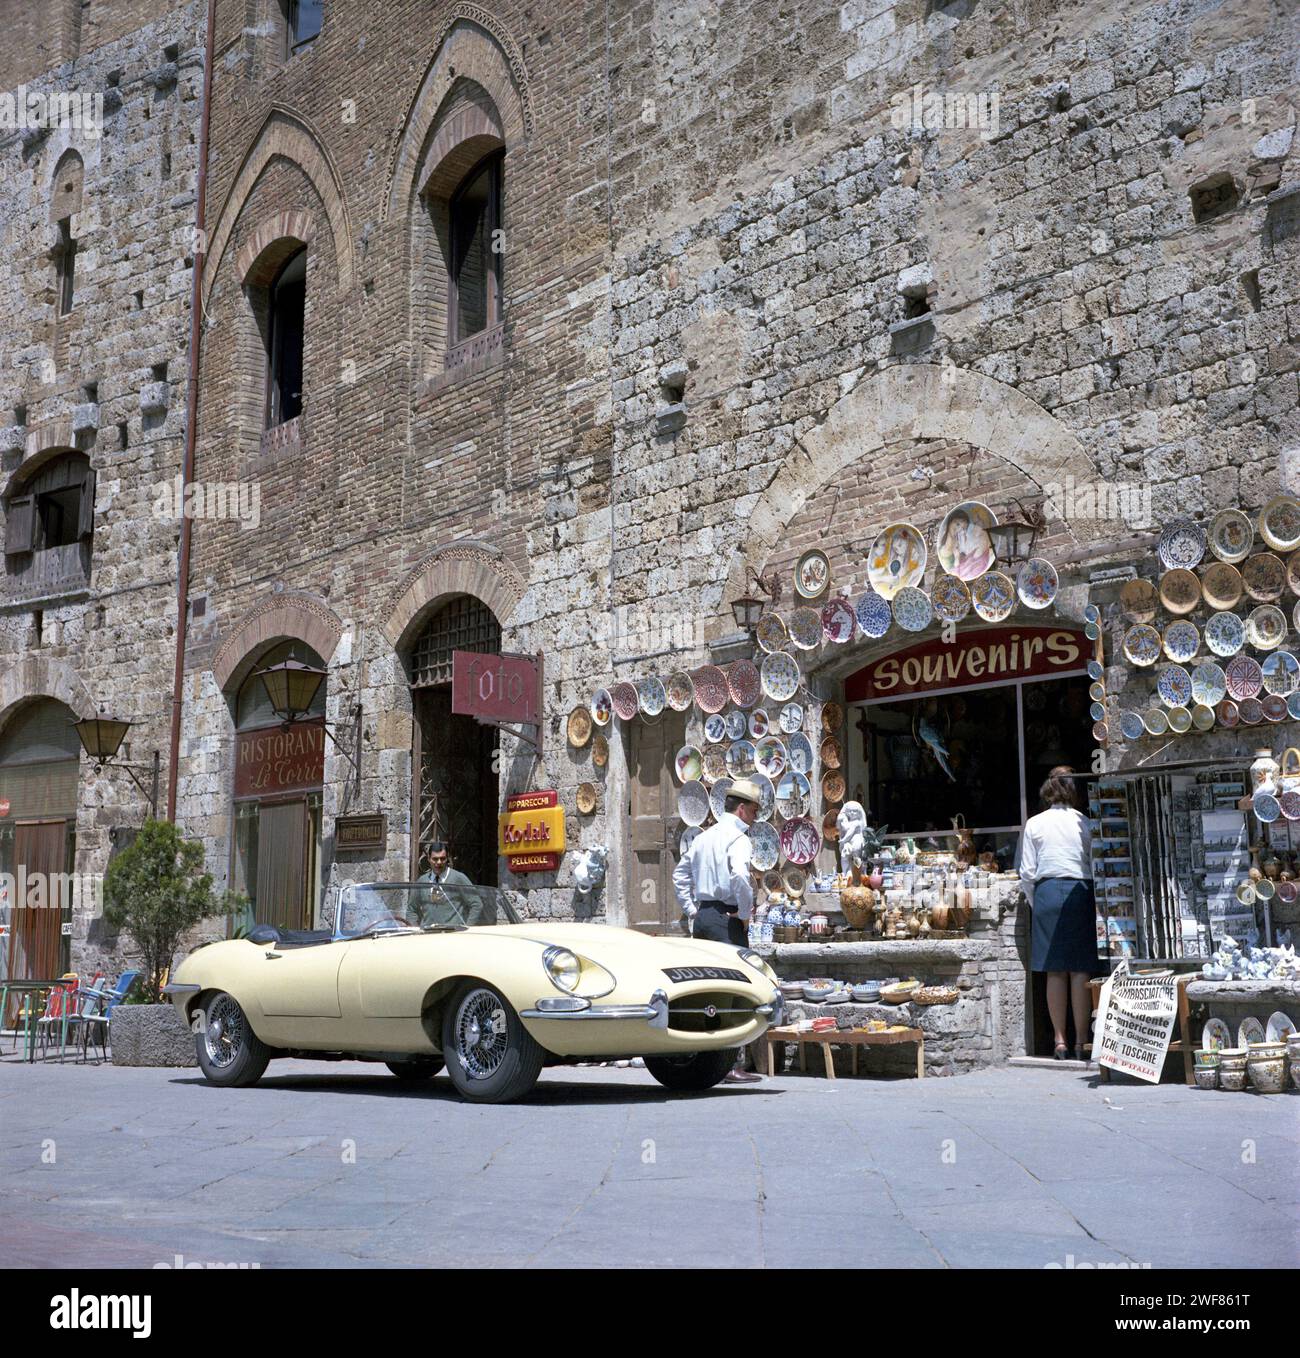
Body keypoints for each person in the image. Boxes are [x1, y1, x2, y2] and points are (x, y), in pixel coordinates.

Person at [672, 777, 764, 1084]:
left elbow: (679, 875)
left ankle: (710, 1059)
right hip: (727, 917)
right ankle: (730, 1063)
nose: (755, 817)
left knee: (709, 987)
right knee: (737, 989)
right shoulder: (738, 839)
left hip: (705, 917)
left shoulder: (703, 837)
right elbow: (740, 877)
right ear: (741, 809)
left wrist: (693, 910)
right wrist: (746, 913)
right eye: (753, 811)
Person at [1018, 766, 1097, 1061]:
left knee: (1054, 969)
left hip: (1047, 892)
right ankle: (1081, 1041)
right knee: (1079, 969)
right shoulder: (1085, 823)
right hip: (1080, 891)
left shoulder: (1035, 824)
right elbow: (1093, 864)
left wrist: (1037, 902)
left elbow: (1027, 872)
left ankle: (1059, 1040)